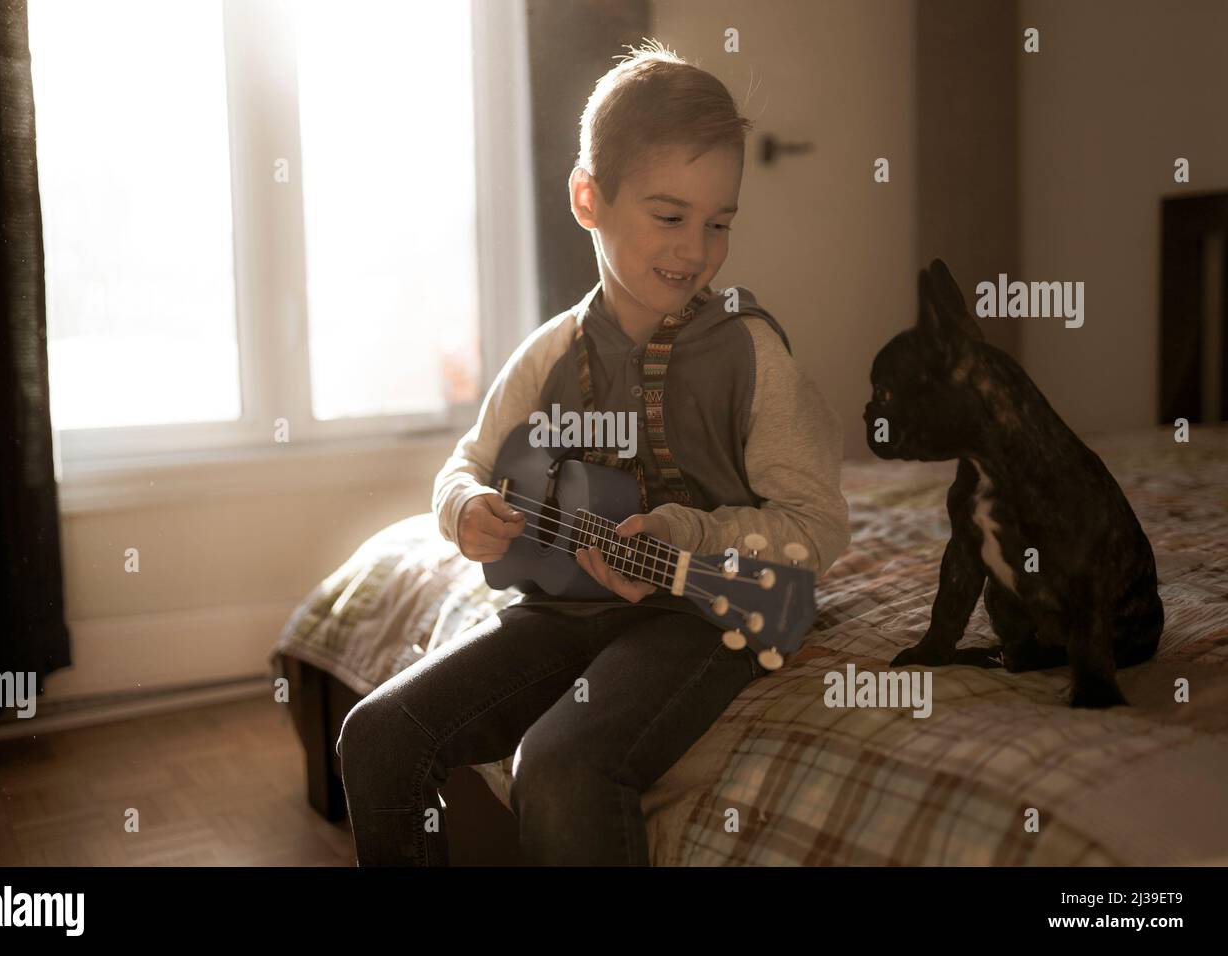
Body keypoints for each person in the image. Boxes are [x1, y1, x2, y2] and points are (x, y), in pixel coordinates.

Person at [337, 41, 850, 866]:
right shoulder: (549, 351)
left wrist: (689, 533)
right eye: (670, 215)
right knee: (377, 735)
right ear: (589, 199)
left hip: (697, 618)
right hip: (562, 612)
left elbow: (819, 525)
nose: (697, 249)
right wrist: (463, 509)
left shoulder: (753, 355)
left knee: (562, 765)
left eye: (719, 224)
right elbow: (464, 465)